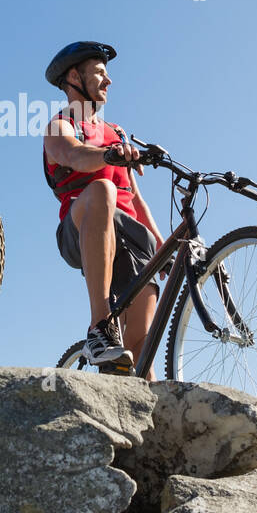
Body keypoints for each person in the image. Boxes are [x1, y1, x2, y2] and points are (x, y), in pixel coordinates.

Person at [42, 42, 165, 376]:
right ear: (73, 77)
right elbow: (73, 155)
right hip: (81, 226)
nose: (109, 81)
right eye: (99, 73)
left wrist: (162, 246)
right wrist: (107, 155)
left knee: (140, 360)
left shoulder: (117, 133)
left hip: (132, 239)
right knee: (102, 190)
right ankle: (100, 326)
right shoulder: (60, 126)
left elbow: (136, 200)